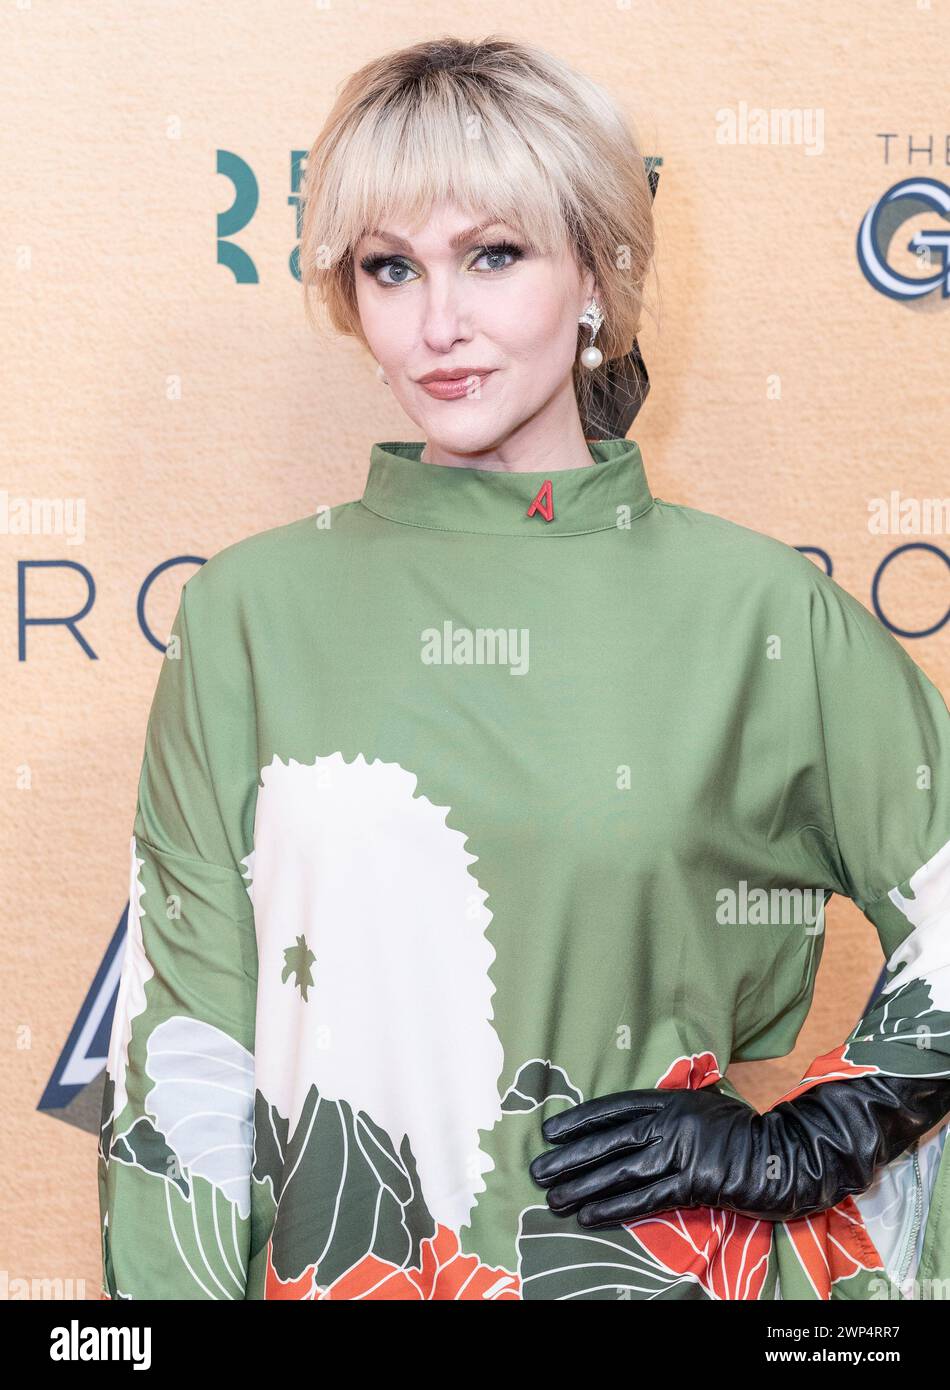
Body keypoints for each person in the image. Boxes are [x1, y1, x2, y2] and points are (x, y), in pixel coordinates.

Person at [97, 34, 950, 1301]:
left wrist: (811, 1141)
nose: (438, 323)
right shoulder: (248, 617)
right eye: (392, 268)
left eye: (492, 256)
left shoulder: (763, 615)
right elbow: (185, 1046)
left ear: (595, 272)